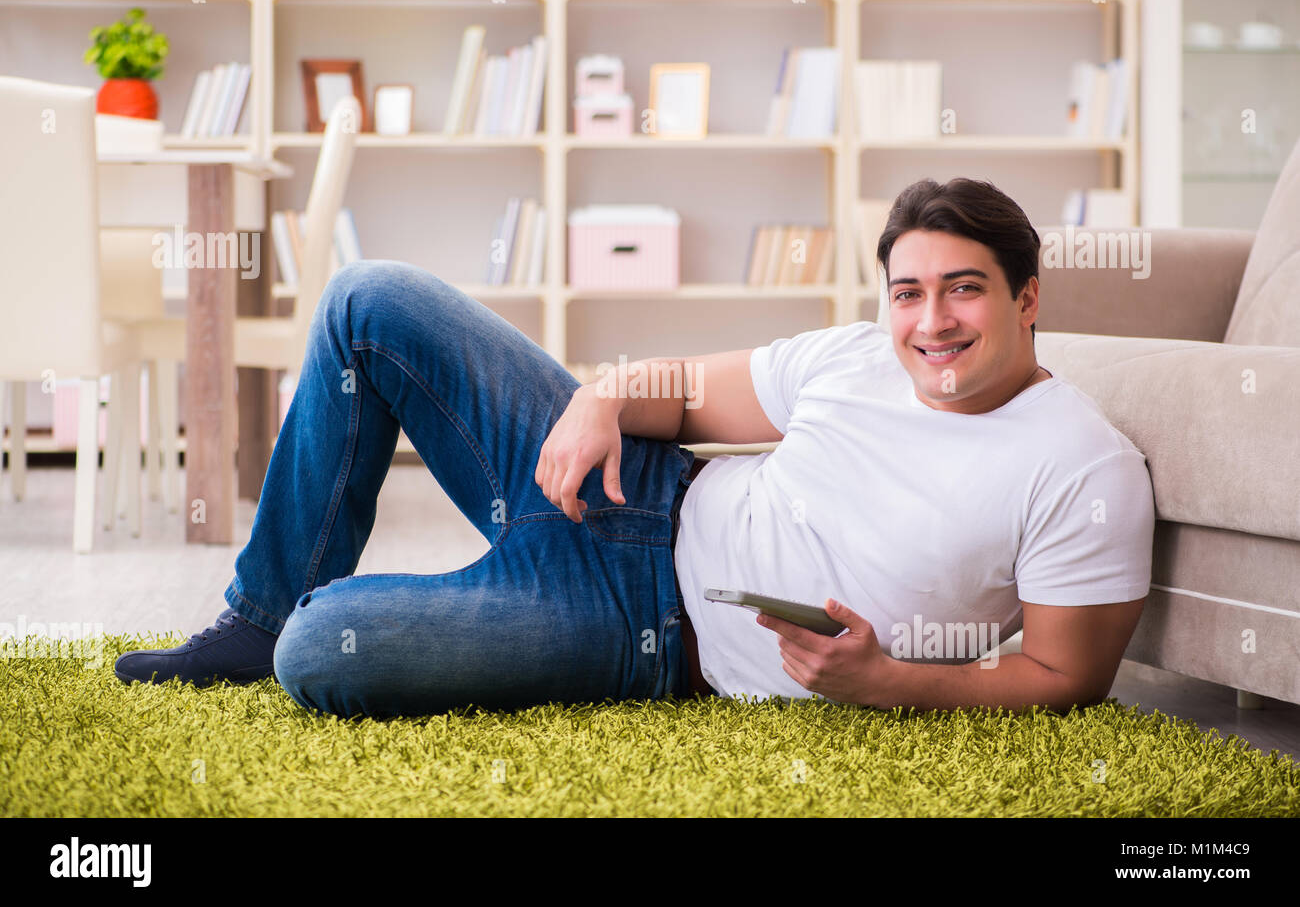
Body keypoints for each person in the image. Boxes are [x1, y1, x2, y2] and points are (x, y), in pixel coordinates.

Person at [115, 177, 1156, 718]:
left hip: (640, 628)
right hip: (639, 487)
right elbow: (691, 394)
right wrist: (608, 394)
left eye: (963, 290)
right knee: (368, 300)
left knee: (324, 653)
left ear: (1026, 299)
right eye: (907, 293)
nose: (930, 322)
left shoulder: (1082, 467)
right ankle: (251, 613)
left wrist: (888, 680)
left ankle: (325, 622)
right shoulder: (852, 356)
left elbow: (1064, 677)